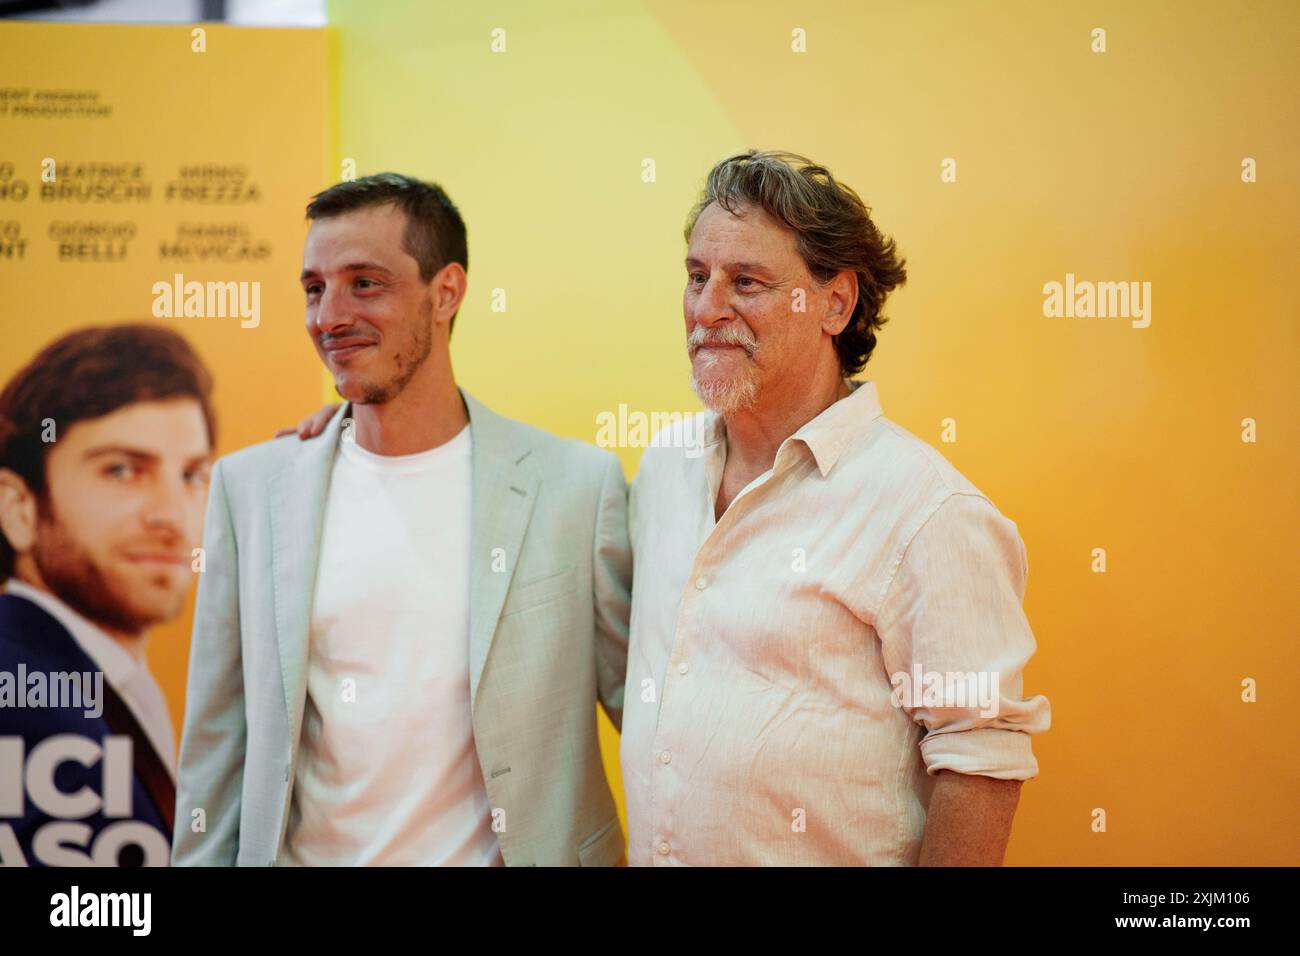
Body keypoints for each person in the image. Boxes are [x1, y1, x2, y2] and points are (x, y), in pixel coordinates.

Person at [172, 173, 631, 866]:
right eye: (314, 288)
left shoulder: (576, 488)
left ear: (445, 292)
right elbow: (217, 743)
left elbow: (657, 721)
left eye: (365, 283)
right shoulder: (252, 489)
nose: (329, 316)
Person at [622, 150, 1050, 865]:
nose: (707, 308)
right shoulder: (664, 468)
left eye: (746, 282)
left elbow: (980, 759)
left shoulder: (929, 512)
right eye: (697, 277)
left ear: (835, 303)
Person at [0, 324, 214, 866]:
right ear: (18, 509)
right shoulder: (31, 702)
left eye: (192, 475)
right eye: (122, 470)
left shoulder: (97, 683)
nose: (171, 515)